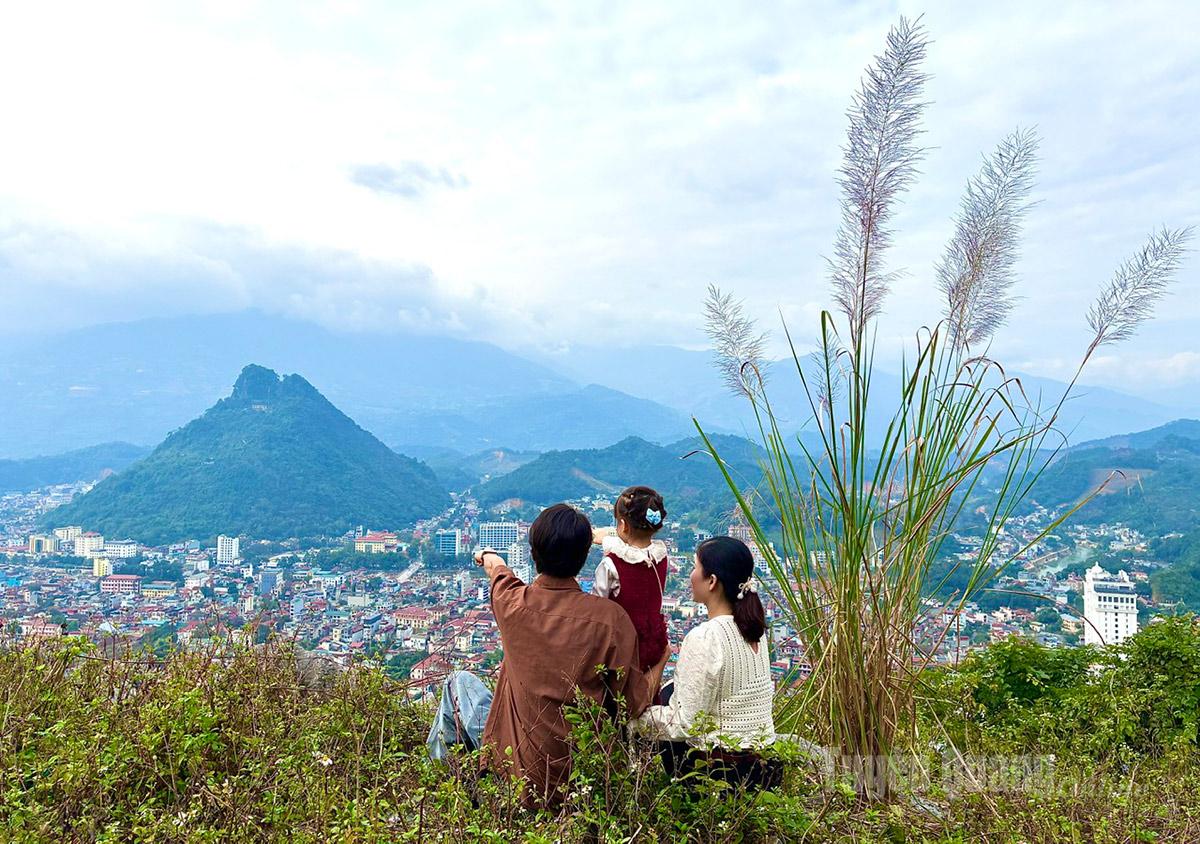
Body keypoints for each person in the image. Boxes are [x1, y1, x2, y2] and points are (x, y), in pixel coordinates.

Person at [427, 503, 670, 805]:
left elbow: (498, 572)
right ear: (583, 558)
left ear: (532, 552)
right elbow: (633, 704)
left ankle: (445, 795)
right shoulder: (611, 620)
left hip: (517, 770)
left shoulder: (512, 602)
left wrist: (487, 556)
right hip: (582, 777)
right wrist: (662, 661)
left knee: (458, 682)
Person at [634, 535, 780, 789]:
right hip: (762, 766)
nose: (691, 575)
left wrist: (634, 718)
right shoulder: (754, 630)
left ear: (712, 581)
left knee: (654, 714)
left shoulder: (706, 637)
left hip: (721, 771)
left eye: (695, 567)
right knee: (670, 690)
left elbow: (683, 725)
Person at [591, 485, 669, 672]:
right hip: (653, 642)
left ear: (623, 525)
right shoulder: (661, 556)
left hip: (622, 649)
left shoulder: (611, 565)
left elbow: (596, 606)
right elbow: (634, 548)